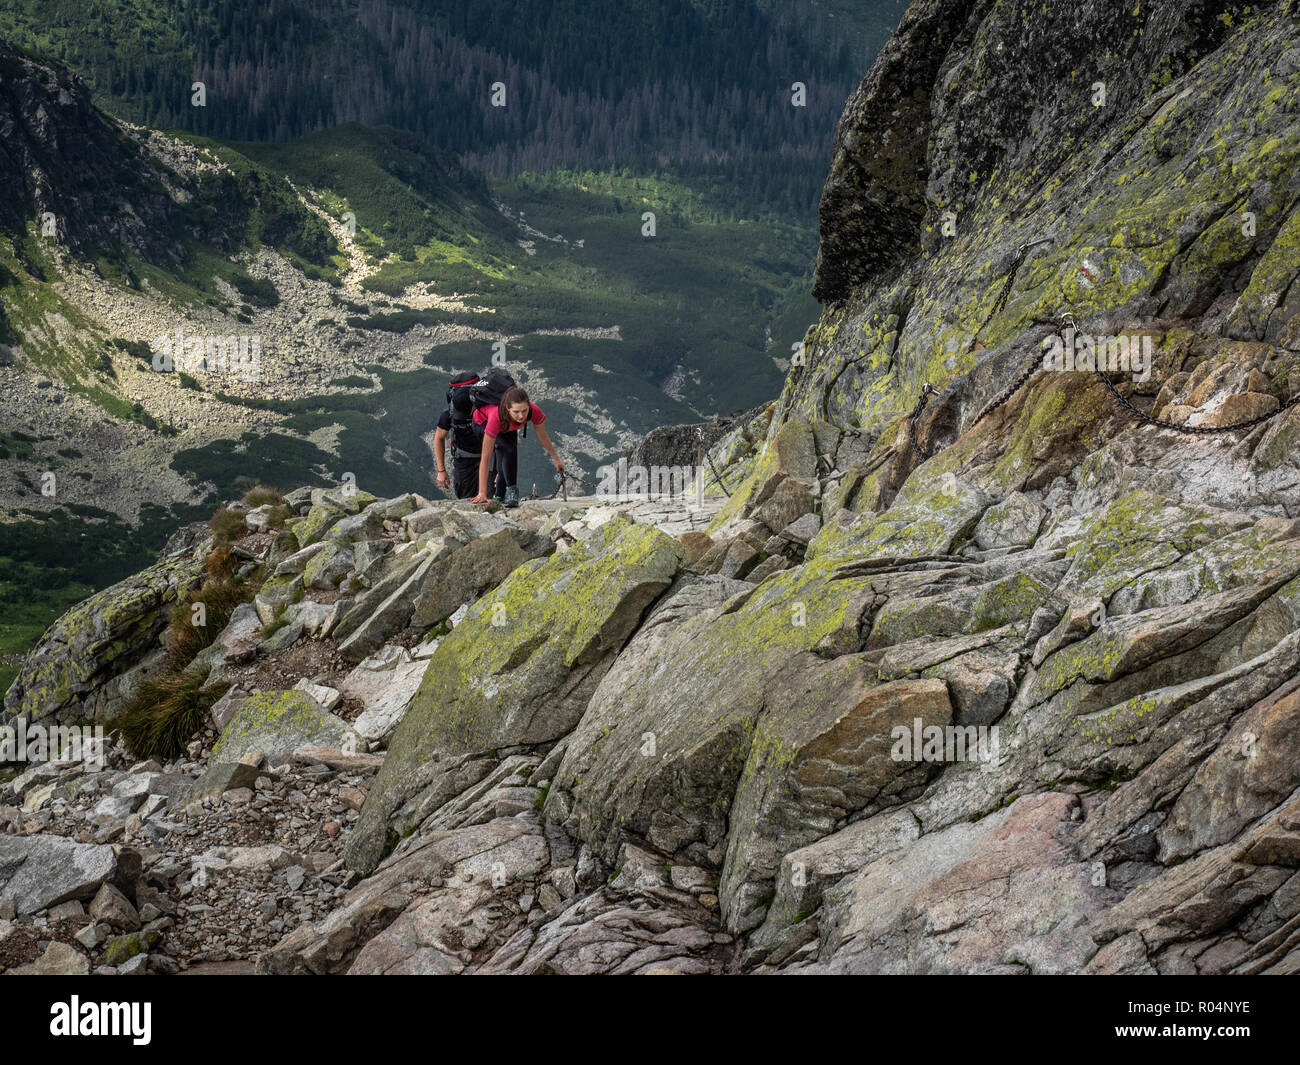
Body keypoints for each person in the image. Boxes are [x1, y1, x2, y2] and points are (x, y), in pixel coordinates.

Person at [470, 386, 563, 506]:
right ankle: (511, 492)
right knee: (508, 449)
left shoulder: (534, 411)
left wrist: (556, 459)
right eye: (516, 412)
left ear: (529, 406)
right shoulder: (495, 417)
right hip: (482, 422)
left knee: (508, 451)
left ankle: (499, 495)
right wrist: (481, 493)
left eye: (524, 411)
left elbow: (543, 436)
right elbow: (485, 457)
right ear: (507, 408)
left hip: (508, 424)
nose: (521, 416)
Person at [432, 405, 481, 499]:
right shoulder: (449, 414)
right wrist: (441, 470)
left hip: (485, 459)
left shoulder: (487, 410)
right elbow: (439, 438)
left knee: (491, 497)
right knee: (466, 498)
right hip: (464, 461)